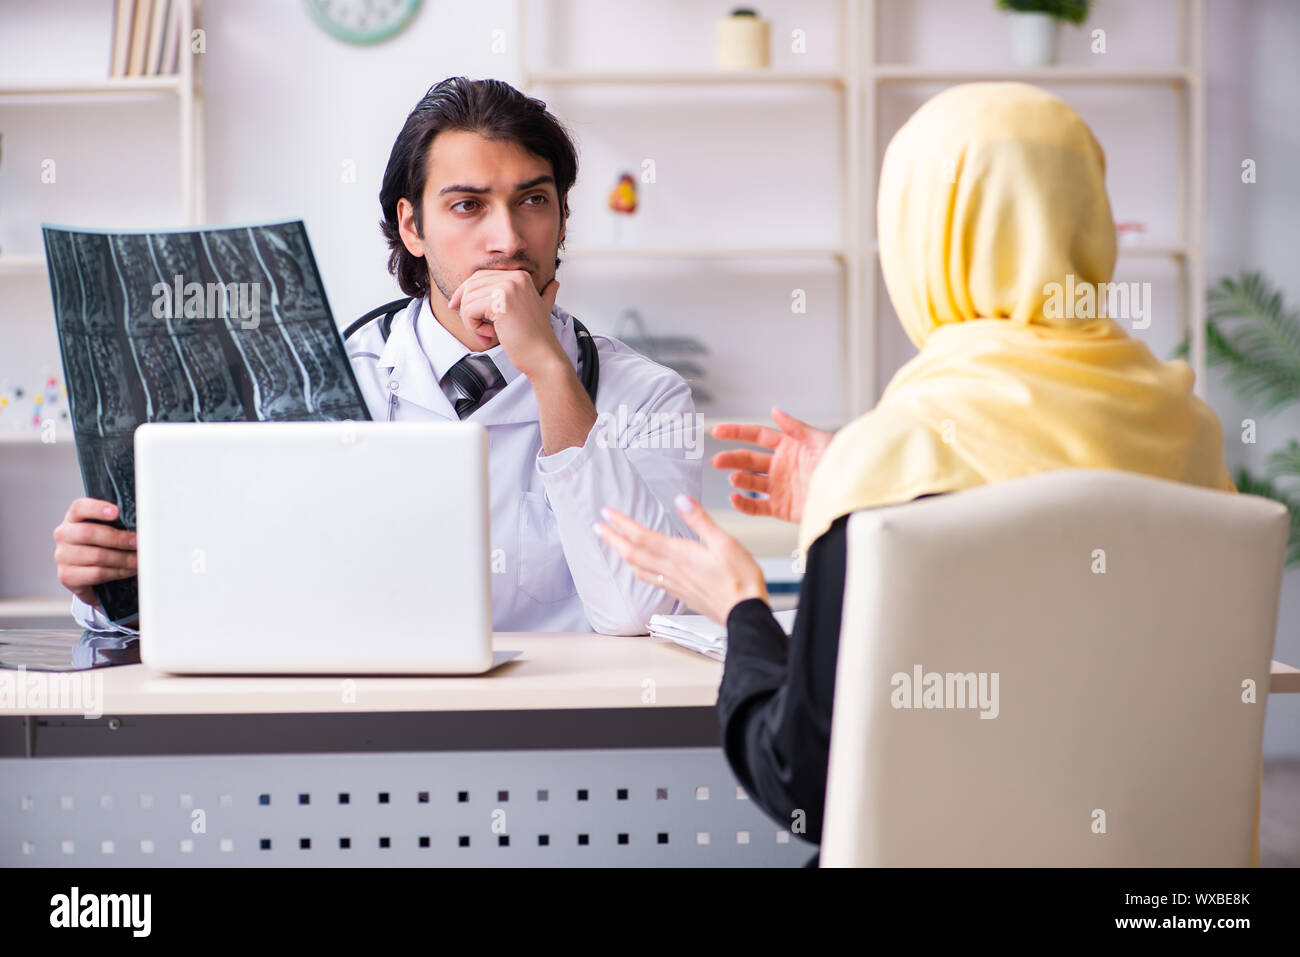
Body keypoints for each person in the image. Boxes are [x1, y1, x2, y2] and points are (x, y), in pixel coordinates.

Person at [594, 82, 1238, 858]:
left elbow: (804, 782)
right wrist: (854, 494)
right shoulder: (1192, 434)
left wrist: (742, 609)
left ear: (923, 238)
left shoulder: (897, 453)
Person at [55, 76, 702, 637]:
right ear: (413, 227)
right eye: (468, 205)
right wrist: (118, 583)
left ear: (561, 218)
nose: (506, 238)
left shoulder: (644, 396)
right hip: (363, 745)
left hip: (571, 748)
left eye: (533, 201)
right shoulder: (323, 385)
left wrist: (552, 373)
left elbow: (638, 611)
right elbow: (243, 592)